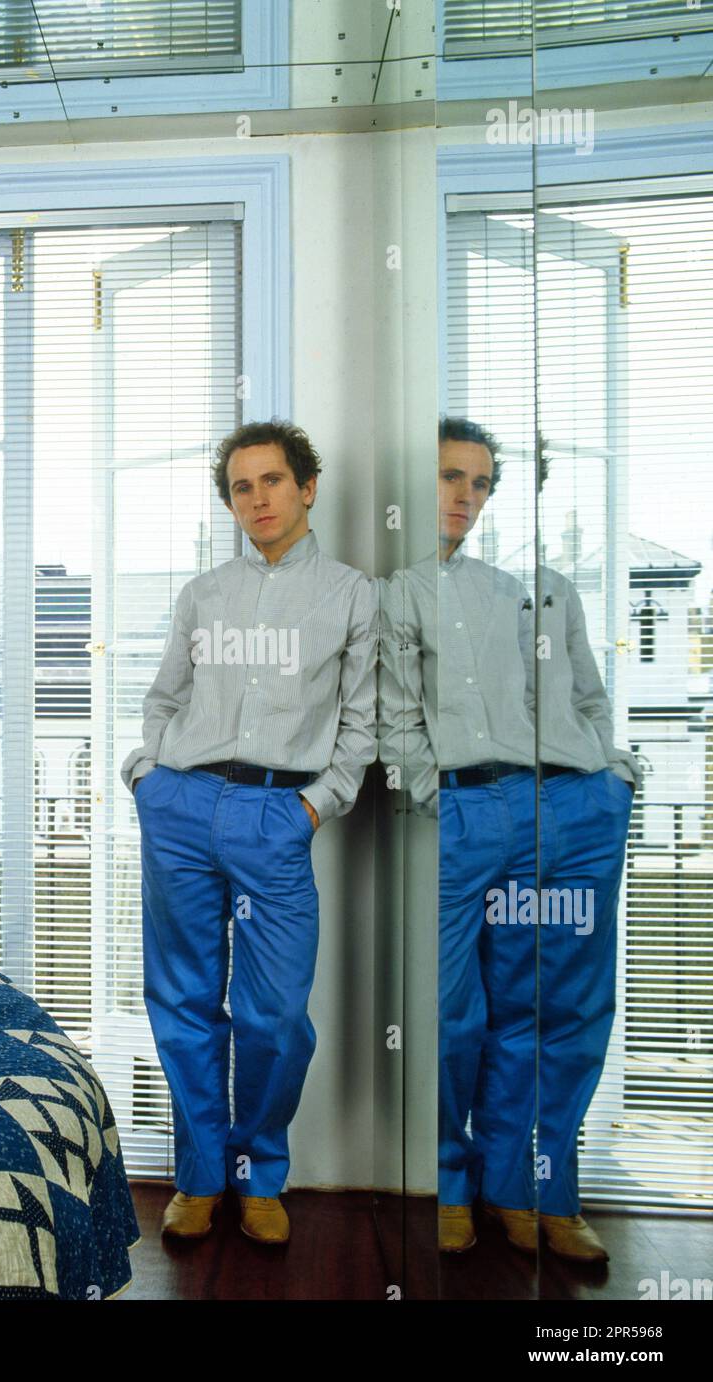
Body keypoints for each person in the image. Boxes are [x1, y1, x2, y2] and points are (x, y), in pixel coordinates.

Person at [377, 416, 638, 1261]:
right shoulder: (399, 594)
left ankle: (535, 1190)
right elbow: (393, 720)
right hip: (466, 815)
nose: (466, 496)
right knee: (456, 1015)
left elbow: (591, 701)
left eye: (482, 483)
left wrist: (609, 778)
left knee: (560, 1010)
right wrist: (437, 798)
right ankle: (455, 1183)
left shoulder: (549, 587)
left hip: (570, 810)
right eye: (451, 476)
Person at [122, 418, 378, 1244]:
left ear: (307, 488)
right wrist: (148, 778)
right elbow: (165, 699)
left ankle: (257, 1169)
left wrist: (316, 804)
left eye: (272, 481)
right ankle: (200, 1176)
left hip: (277, 817)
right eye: (241, 486)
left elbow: (363, 724)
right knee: (185, 1003)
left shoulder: (349, 593)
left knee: (273, 1017)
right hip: (183, 809)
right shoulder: (204, 595)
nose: (257, 498)